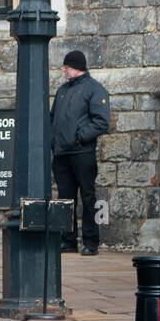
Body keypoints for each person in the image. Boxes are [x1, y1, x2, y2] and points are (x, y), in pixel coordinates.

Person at [50, 49, 111, 255]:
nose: (63, 71)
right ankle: (68, 240)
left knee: (88, 197)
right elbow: (53, 119)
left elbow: (102, 121)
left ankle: (91, 242)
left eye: (65, 67)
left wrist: (80, 136)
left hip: (82, 152)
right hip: (62, 154)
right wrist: (53, 141)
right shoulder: (63, 91)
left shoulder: (95, 89)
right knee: (66, 199)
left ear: (73, 67)